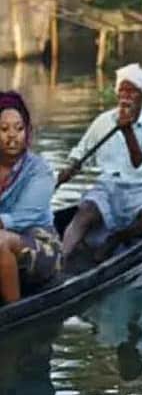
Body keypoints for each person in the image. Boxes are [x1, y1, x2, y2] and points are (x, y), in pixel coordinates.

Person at [58, 63, 142, 261]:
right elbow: (82, 151)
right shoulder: (103, 121)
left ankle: (117, 238)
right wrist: (71, 166)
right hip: (108, 186)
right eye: (122, 91)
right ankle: (60, 260)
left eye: (132, 91)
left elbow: (140, 165)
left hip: (141, 188)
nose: (126, 96)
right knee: (84, 211)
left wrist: (128, 132)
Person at [0, 91, 62, 304]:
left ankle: (13, 311)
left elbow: (23, 217)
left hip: (38, 245)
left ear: (26, 132)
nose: (12, 136)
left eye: (19, 128)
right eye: (4, 129)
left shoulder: (39, 170)